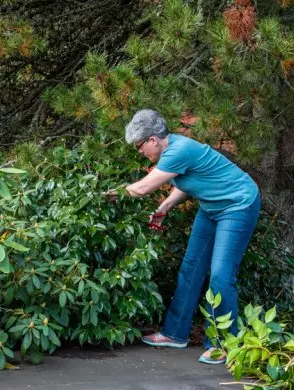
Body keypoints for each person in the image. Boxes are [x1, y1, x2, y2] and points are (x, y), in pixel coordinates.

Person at [111, 109, 261, 364]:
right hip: (211, 207)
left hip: (238, 205)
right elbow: (184, 183)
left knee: (221, 275)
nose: (140, 152)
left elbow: (144, 187)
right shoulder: (174, 150)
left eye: (140, 146)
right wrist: (164, 208)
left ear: (153, 140)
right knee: (191, 267)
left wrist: (110, 194)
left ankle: (225, 344)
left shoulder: (178, 150)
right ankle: (175, 334)